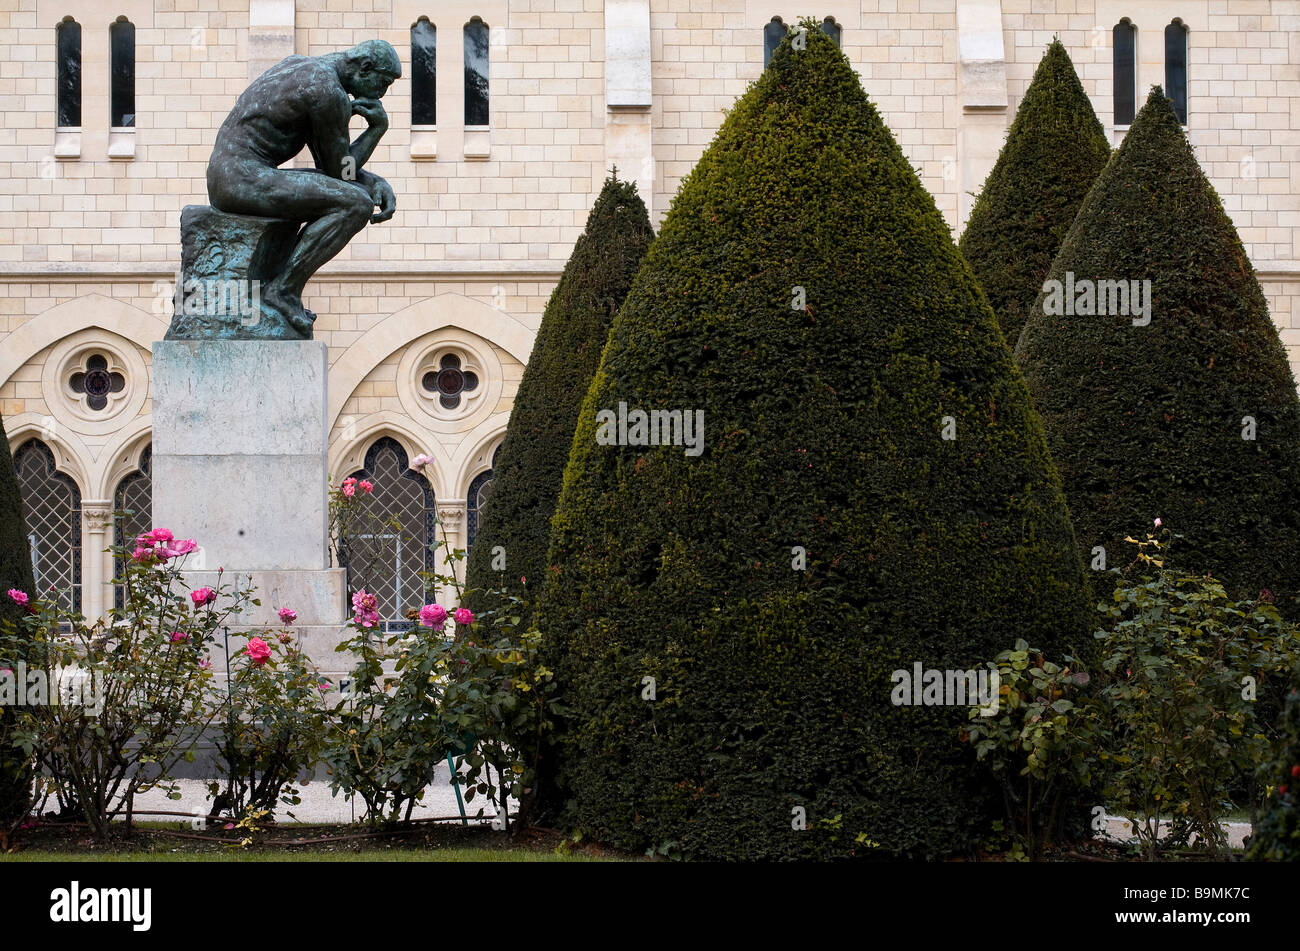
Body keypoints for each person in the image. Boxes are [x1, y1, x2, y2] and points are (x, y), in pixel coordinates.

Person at [206, 39, 401, 335]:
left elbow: (332, 168)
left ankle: (279, 289)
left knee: (348, 195)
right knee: (355, 205)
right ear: (365, 68)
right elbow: (342, 173)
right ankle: (282, 291)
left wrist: (372, 180)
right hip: (241, 178)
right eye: (383, 82)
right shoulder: (327, 91)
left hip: (233, 173)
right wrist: (376, 130)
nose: (382, 93)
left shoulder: (303, 66)